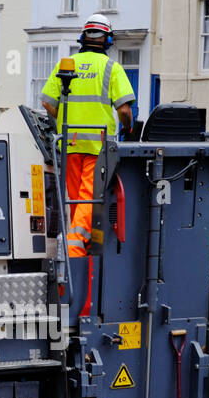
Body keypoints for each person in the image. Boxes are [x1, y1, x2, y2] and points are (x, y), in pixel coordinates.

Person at [39, 14, 136, 258]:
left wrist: (64, 120)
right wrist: (128, 126)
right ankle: (74, 248)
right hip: (98, 145)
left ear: (84, 37)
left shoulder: (66, 64)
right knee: (88, 198)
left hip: (70, 142)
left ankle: (79, 250)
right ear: (108, 39)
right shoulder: (111, 68)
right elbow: (124, 109)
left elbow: (47, 103)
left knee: (76, 202)